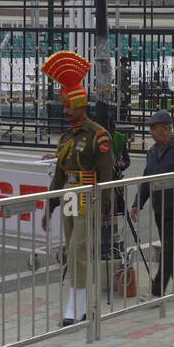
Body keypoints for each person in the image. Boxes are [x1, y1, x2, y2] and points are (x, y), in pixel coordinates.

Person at [40, 51, 115, 327]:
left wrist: (104, 207)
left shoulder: (98, 135)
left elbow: (106, 175)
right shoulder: (65, 137)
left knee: (77, 250)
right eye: (64, 106)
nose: (66, 111)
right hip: (70, 196)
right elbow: (61, 174)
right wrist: (49, 206)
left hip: (89, 196)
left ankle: (79, 306)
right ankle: (77, 304)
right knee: (72, 249)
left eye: (69, 106)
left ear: (80, 106)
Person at [130, 110, 174, 299]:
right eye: (151, 129)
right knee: (171, 247)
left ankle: (157, 291)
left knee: (168, 249)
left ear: (167, 129)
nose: (152, 132)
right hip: (159, 206)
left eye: (155, 128)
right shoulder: (152, 151)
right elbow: (147, 179)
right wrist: (137, 203)